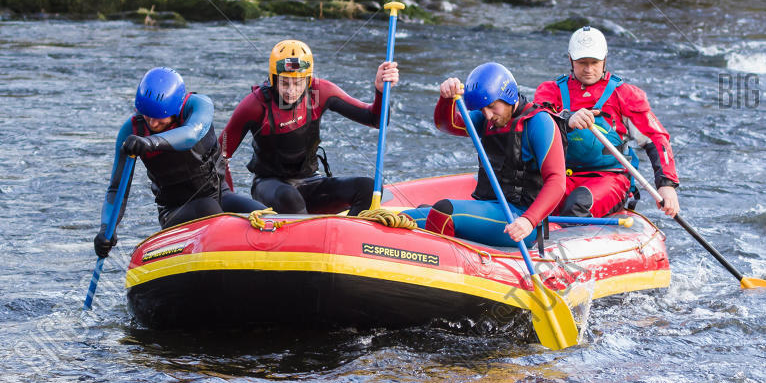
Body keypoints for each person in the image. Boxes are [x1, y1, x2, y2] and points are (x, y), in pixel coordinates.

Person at [93, 67, 264, 259]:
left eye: (158, 118)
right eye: (147, 115)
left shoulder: (199, 105)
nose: (152, 124)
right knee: (208, 208)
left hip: (219, 196)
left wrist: (149, 143)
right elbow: (117, 189)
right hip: (174, 211)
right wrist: (106, 229)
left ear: (175, 108)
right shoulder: (132, 130)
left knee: (265, 217)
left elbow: (190, 135)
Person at [220, 39, 399, 215]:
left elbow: (375, 119)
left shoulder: (321, 92)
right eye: (284, 83)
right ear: (273, 79)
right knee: (289, 198)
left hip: (311, 182)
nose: (291, 90)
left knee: (368, 187)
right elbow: (221, 154)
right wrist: (230, 199)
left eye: (298, 83)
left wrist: (380, 92)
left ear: (308, 79)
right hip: (270, 187)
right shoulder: (255, 105)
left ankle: (344, 237)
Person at [532, 25, 680, 219]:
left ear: (605, 60)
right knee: (529, 199)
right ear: (570, 60)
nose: (588, 69)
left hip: (609, 178)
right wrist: (566, 119)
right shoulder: (550, 92)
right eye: (582, 62)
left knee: (577, 204)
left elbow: (656, 139)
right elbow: (533, 127)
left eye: (594, 62)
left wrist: (666, 185)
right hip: (560, 177)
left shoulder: (625, 95)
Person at [425, 61, 567, 249]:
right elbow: (446, 125)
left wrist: (529, 220)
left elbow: (557, 182)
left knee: (444, 212)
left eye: (492, 106)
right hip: (490, 208)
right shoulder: (486, 119)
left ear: (508, 95)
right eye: (482, 109)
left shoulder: (539, 122)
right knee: (406, 218)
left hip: (522, 221)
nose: (488, 115)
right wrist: (446, 99)